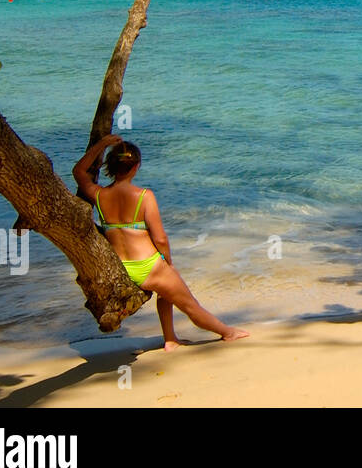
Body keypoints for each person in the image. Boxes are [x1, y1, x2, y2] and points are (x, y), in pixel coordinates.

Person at [73, 134, 249, 349]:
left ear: (111, 165)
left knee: (166, 292)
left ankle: (170, 339)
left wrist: (101, 145)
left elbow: (79, 172)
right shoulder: (144, 196)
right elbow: (160, 237)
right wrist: (168, 261)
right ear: (136, 166)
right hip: (150, 265)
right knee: (191, 306)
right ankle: (227, 332)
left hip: (123, 268)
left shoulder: (99, 195)